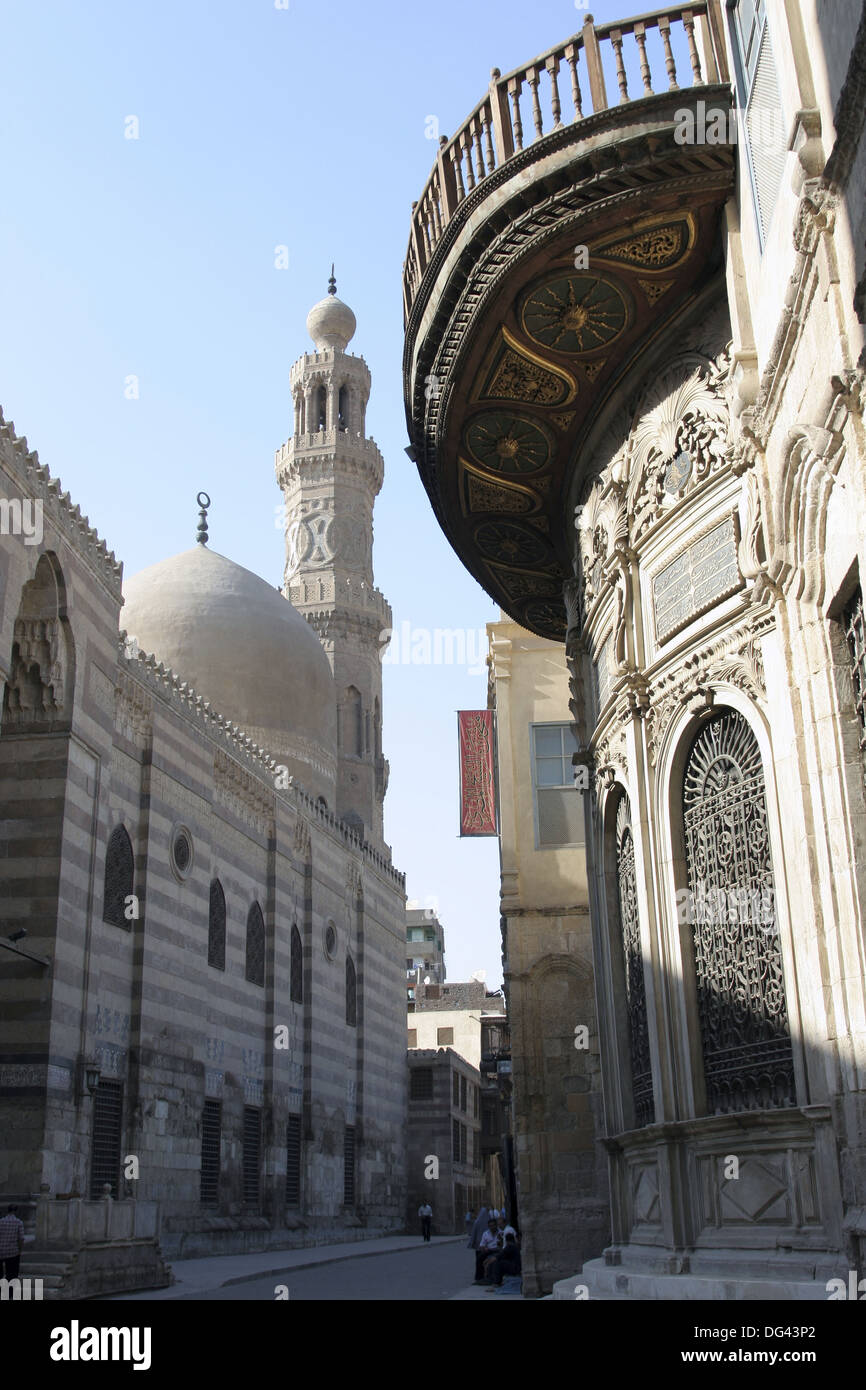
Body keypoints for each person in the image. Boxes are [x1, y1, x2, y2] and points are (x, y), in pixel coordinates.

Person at [0, 1204, 24, 1281]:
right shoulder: (19, 1222)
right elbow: (21, 1238)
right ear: (16, 1211)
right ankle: (9, 1292)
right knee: (12, 1275)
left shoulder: (1, 1221)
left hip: (1, 1251)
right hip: (13, 1252)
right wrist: (20, 1251)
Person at [476, 1218, 500, 1282]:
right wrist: (484, 1248)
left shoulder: (500, 1232)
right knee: (479, 1256)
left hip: (497, 1250)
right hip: (488, 1250)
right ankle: (479, 1277)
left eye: (493, 1225)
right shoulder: (486, 1233)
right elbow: (481, 1245)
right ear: (488, 1226)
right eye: (490, 1226)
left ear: (496, 1225)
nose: (492, 1227)